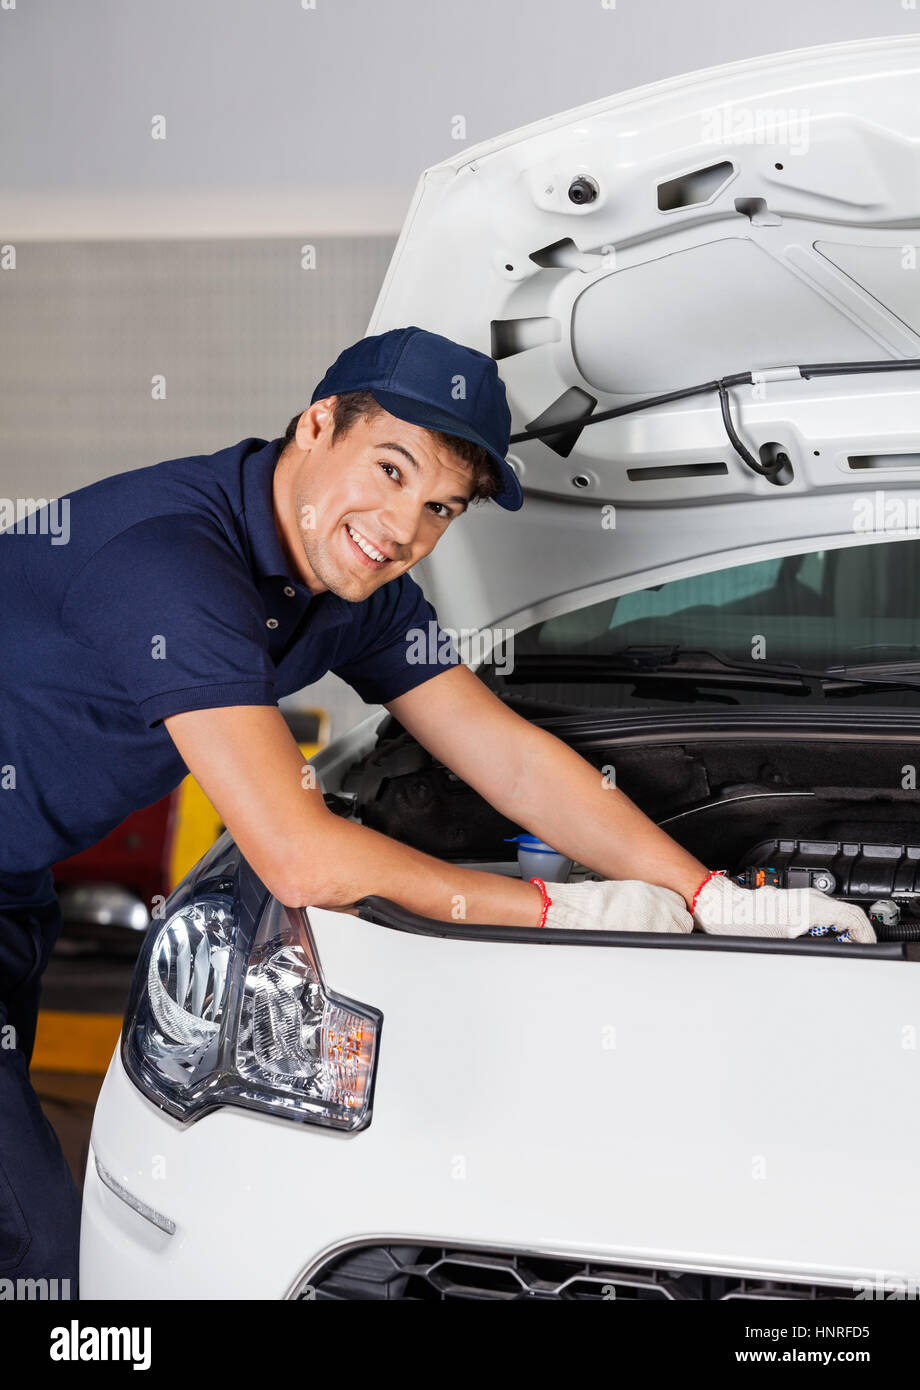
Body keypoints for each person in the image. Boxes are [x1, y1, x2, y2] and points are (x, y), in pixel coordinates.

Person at [0, 325, 874, 1295]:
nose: (402, 527)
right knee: (32, 1254)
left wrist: (706, 892)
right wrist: (560, 909)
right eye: (386, 469)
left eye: (439, 508)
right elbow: (297, 856)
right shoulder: (171, 566)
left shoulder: (357, 588)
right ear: (316, 423)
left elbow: (500, 751)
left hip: (14, 886)